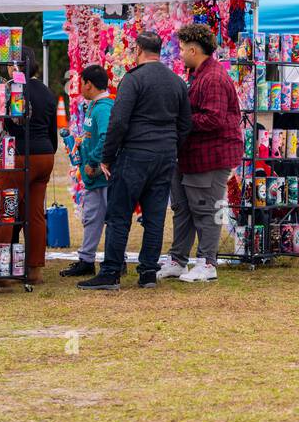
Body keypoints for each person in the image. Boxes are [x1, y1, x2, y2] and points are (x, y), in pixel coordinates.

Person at [78, 32, 191, 290]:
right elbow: (185, 124)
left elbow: (118, 122)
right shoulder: (176, 82)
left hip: (135, 154)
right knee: (154, 216)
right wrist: (172, 147)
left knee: (119, 215)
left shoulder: (134, 79)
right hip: (165, 155)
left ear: (138, 49)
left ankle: (110, 272)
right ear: (160, 50)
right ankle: (148, 272)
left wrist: (107, 157)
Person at [154, 24, 241, 283]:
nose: (179, 54)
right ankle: (178, 260)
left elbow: (213, 118)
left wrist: (181, 120)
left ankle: (207, 263)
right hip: (191, 156)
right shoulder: (197, 74)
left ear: (194, 49)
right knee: (182, 209)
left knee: (206, 209)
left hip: (211, 157)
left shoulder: (213, 78)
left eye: (181, 49)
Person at [0, 52, 56, 284]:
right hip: (44, 155)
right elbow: (52, 130)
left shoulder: (9, 89)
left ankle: (1, 272)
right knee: (35, 214)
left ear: (14, 68)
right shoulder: (47, 91)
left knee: (5, 212)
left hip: (15, 156)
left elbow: (1, 124)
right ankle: (34, 269)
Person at [59, 65, 113, 278]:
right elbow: (94, 136)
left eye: (80, 82)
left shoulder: (103, 108)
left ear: (89, 84)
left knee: (108, 218)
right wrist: (79, 145)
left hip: (102, 176)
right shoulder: (93, 106)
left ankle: (108, 258)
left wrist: (93, 162)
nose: (78, 86)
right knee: (92, 217)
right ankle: (88, 259)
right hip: (93, 177)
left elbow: (106, 137)